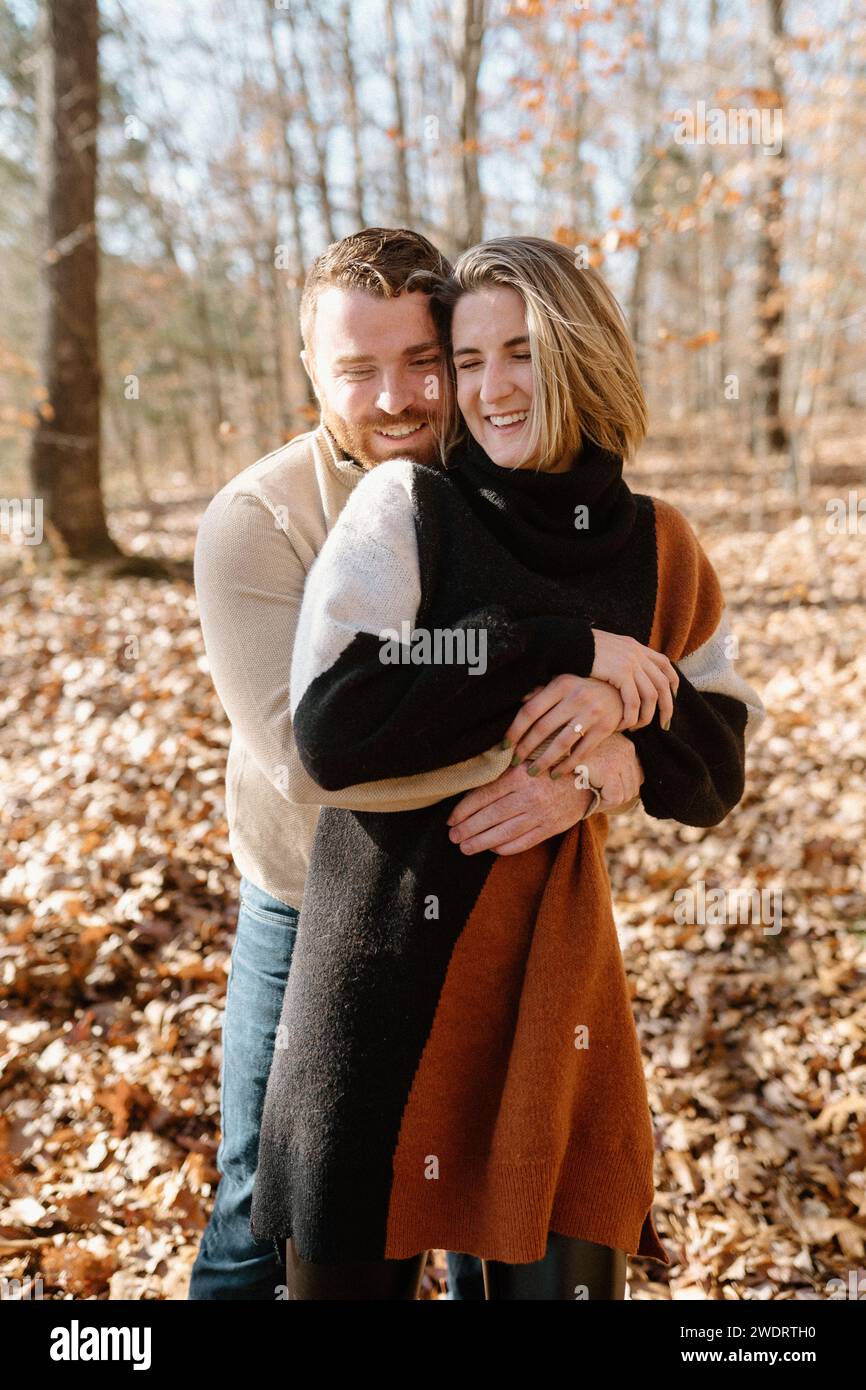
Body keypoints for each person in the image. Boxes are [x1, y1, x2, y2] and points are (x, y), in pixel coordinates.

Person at [248, 235, 766, 1299]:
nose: (488, 389)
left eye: (518, 353)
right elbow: (336, 725)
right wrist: (551, 647)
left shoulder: (661, 546)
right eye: (468, 358)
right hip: (374, 996)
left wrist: (612, 753)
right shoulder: (406, 513)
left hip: (553, 1004)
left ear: (579, 354)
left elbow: (713, 768)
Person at [188, 228, 648, 1300]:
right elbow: (315, 764)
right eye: (357, 369)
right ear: (310, 371)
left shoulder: (494, 477)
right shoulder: (253, 523)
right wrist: (556, 756)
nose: (396, 397)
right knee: (265, 1206)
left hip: (483, 896)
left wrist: (603, 756)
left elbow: (629, 648)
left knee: (486, 1194)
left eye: (421, 361)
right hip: (309, 907)